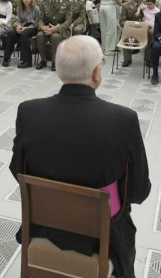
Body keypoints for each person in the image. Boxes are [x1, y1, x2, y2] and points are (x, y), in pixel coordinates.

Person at [10, 36, 151, 278]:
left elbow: (18, 170)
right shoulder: (123, 120)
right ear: (96, 73)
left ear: (59, 71)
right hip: (102, 237)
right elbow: (138, 191)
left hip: (44, 227)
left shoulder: (29, 111)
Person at [4, 0, 40, 68]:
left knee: (24, 34)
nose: (27, 0)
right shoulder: (19, 8)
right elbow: (19, 21)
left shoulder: (36, 8)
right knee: (11, 33)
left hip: (33, 27)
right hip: (23, 26)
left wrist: (25, 28)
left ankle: (27, 61)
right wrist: (19, 27)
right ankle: (6, 58)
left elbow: (37, 23)